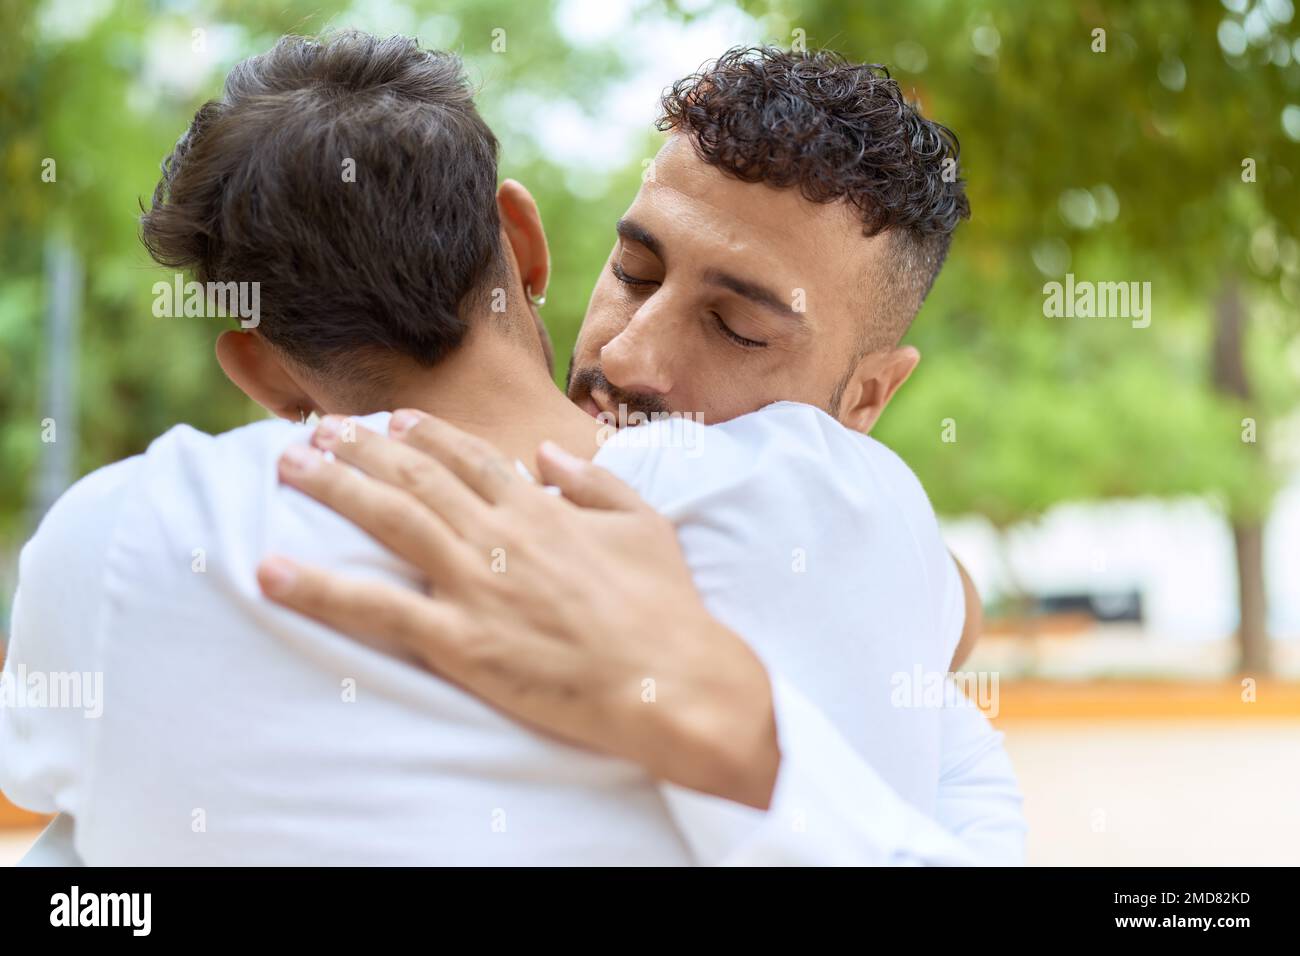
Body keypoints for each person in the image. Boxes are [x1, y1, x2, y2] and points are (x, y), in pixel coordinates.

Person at [1, 32, 1022, 865]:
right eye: (630, 269)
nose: (627, 355)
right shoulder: (846, 517)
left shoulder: (134, 533)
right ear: (525, 242)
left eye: (738, 328)